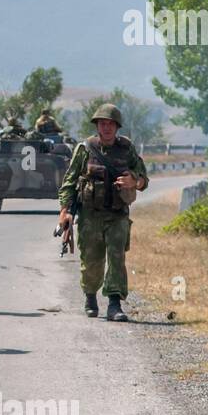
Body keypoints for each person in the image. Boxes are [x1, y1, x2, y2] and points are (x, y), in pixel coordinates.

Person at [57, 103, 149, 322]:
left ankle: (114, 304)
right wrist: (64, 212)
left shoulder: (127, 149)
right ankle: (90, 296)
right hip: (90, 215)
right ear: (97, 126)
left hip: (118, 214)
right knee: (92, 260)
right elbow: (69, 182)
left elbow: (144, 179)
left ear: (117, 127)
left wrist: (133, 181)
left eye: (110, 124)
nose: (106, 128)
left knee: (117, 257)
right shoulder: (85, 149)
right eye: (102, 124)